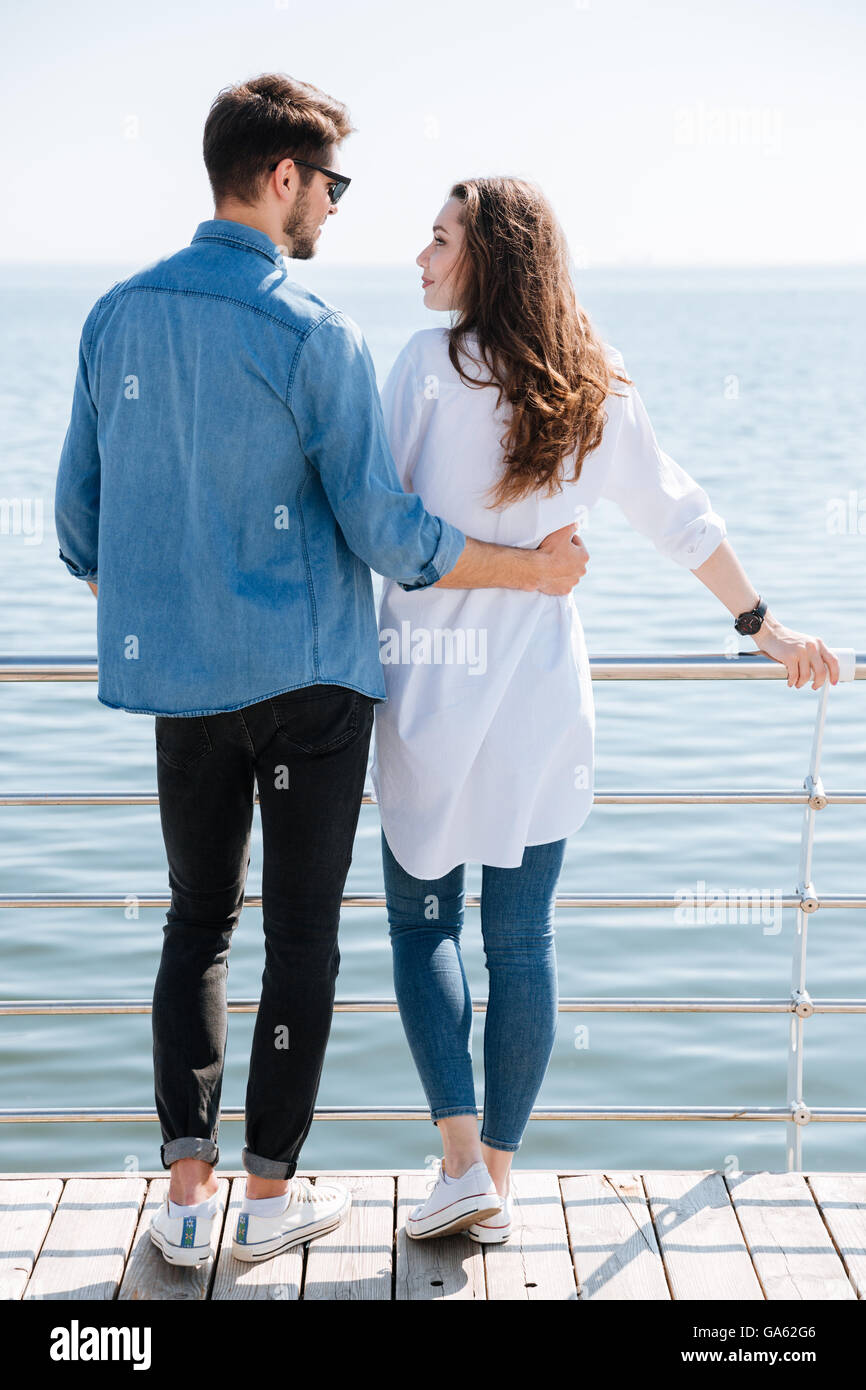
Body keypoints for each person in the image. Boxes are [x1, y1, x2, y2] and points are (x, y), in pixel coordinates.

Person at [53, 78, 589, 1269]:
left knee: (194, 925)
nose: (336, 211)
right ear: (283, 178)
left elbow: (80, 530)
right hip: (310, 695)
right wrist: (530, 570)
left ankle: (184, 1206)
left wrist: (180, 607)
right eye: (332, 186)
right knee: (301, 937)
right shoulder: (314, 332)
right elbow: (388, 535)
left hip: (183, 690)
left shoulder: (112, 319)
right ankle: (264, 1200)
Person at [370, 176, 840, 1242]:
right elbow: (677, 514)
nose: (420, 257)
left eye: (437, 239)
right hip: (539, 702)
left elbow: (382, 529)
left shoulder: (423, 370)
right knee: (522, 939)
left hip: (428, 693)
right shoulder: (591, 382)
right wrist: (760, 623)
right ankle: (496, 1173)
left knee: (421, 922)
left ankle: (458, 1169)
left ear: (483, 257)